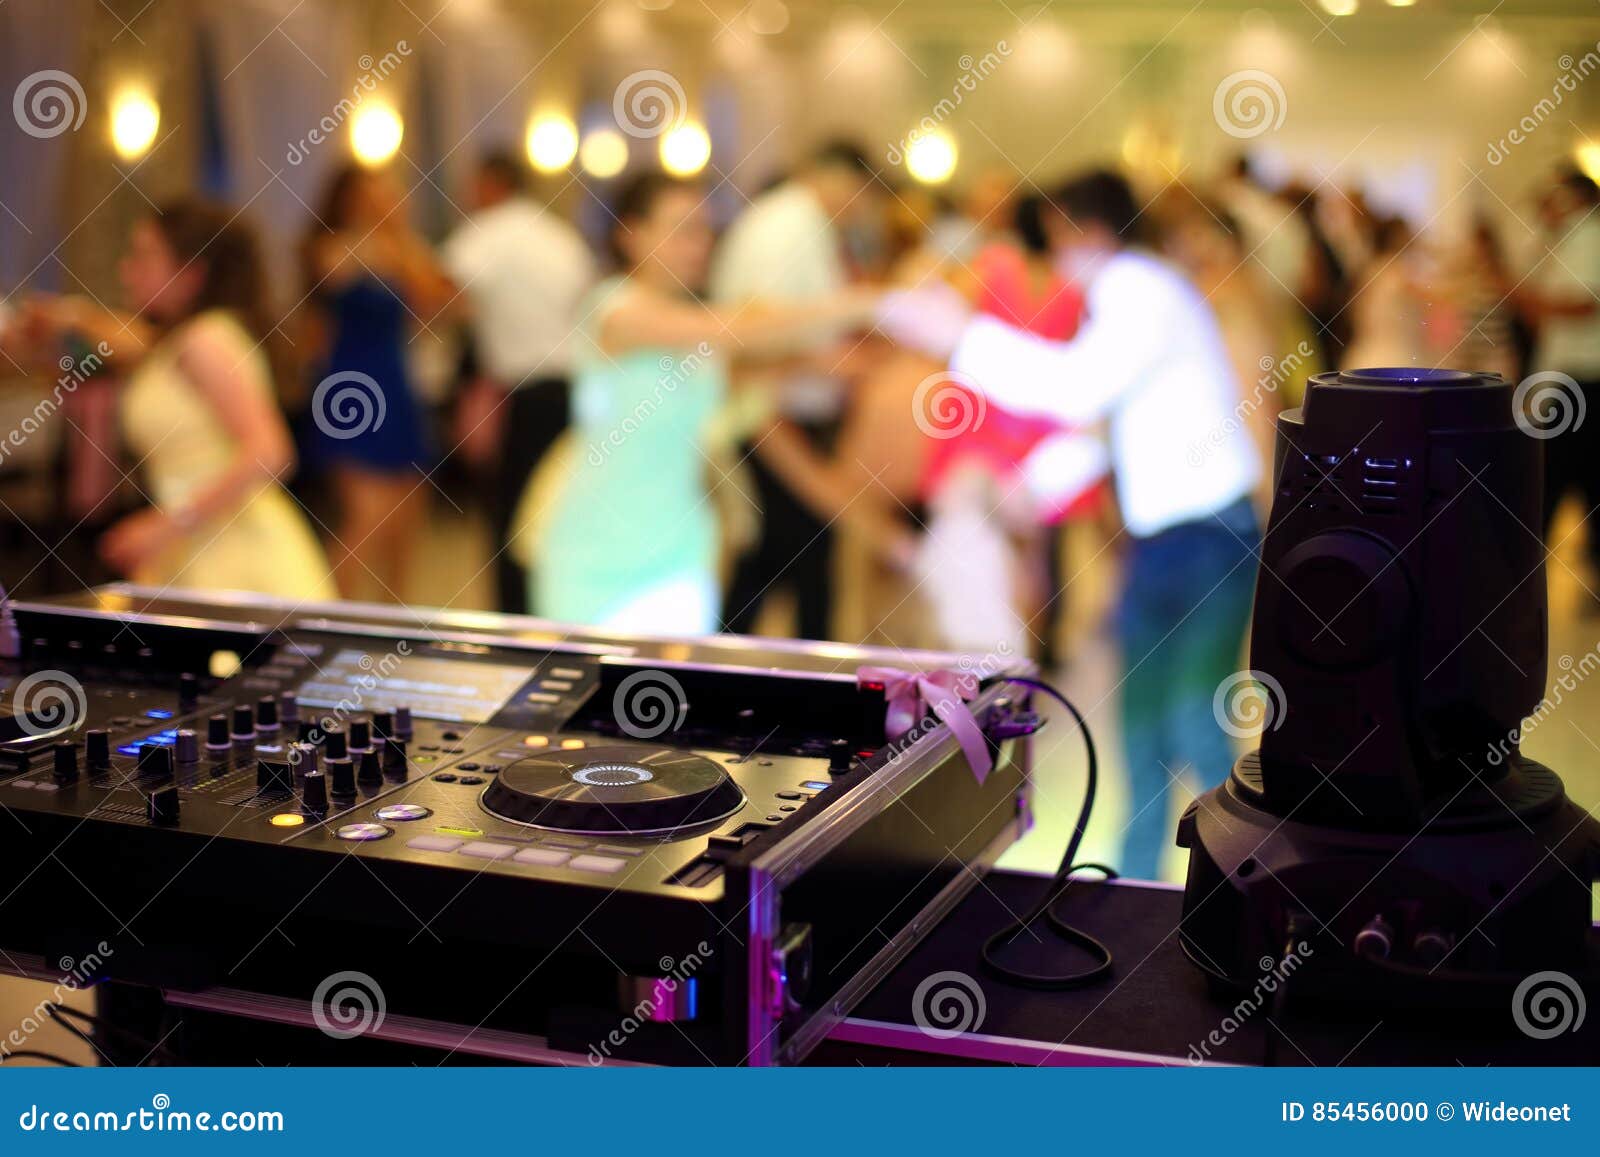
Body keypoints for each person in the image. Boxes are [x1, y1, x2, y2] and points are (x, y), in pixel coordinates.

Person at [878, 169, 1262, 881]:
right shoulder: (1139, 296)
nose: (1054, 261)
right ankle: (1141, 887)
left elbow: (1076, 389)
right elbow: (1105, 422)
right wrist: (1032, 486)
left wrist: (963, 336)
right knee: (1142, 730)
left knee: (1191, 723)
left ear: (1085, 231)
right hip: (1172, 542)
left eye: (1057, 240)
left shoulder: (1137, 287)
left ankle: (1240, 888)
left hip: (1208, 538)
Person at [532, 174, 878, 635]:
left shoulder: (695, 325)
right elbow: (736, 329)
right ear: (631, 234)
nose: (698, 245)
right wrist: (867, 303)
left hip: (679, 546)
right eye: (682, 229)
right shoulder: (613, 309)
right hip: (597, 546)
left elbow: (742, 369)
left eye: (704, 232)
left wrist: (823, 363)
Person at [0, 200, 334, 599]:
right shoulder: (177, 341)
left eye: (144, 255)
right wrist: (67, 319)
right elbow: (118, 338)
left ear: (191, 273)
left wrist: (165, 526)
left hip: (232, 550)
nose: (127, 269)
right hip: (199, 542)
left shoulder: (205, 340)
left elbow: (270, 452)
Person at [711, 140, 881, 641]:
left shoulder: (800, 223)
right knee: (801, 560)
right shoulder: (787, 226)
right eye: (861, 195)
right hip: (772, 418)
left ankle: (728, 663)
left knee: (775, 559)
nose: (860, 210)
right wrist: (828, 362)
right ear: (840, 180)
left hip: (782, 411)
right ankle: (807, 670)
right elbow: (754, 331)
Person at [442, 150, 595, 615]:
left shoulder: (489, 232)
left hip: (525, 395)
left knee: (513, 515)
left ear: (492, 184)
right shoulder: (560, 236)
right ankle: (554, 607)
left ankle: (515, 620)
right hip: (572, 390)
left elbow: (442, 293)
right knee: (556, 506)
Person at [301, 165, 454, 602]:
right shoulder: (333, 246)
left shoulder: (403, 247)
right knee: (366, 518)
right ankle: (330, 613)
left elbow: (438, 302)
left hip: (397, 382)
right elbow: (335, 273)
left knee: (406, 518)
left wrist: (402, 241)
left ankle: (395, 616)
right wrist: (389, 241)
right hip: (351, 385)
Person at [1519, 168, 1600, 599]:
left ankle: (1523, 579)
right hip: (1574, 378)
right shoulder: (1571, 237)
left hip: (1580, 380)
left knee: (1552, 478)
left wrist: (1527, 299)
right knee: (1575, 480)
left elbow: (1584, 304)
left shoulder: (1588, 235)